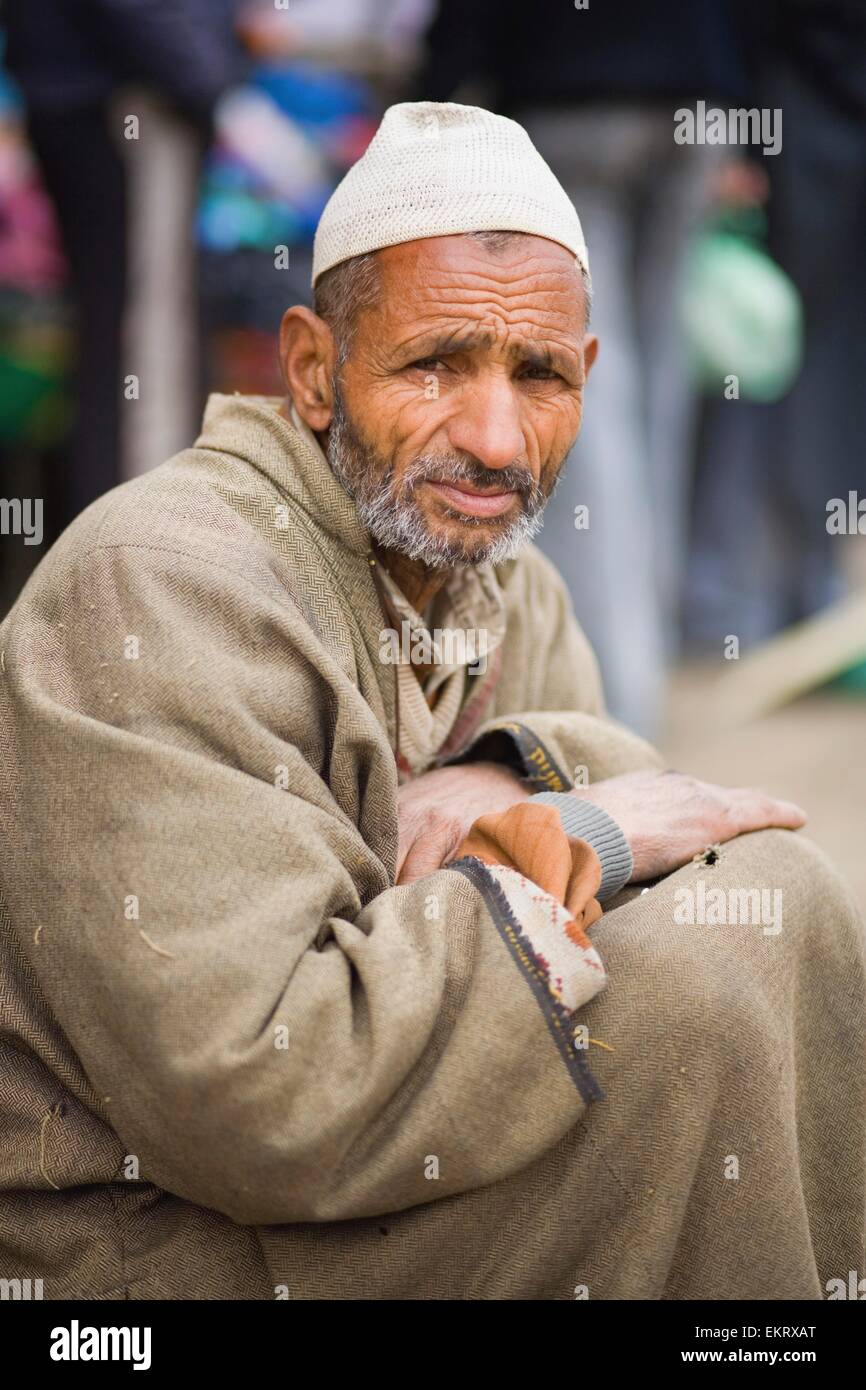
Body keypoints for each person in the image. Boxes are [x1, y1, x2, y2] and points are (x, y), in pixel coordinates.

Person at [1, 103, 863, 1301]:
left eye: (537, 374)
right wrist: (568, 831)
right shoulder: (163, 580)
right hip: (149, 1243)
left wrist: (511, 773)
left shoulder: (511, 586)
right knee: (696, 1005)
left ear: (588, 378)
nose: (495, 436)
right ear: (311, 367)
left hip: (356, 1167)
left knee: (779, 907)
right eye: (433, 364)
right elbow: (254, 1092)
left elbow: (612, 844)